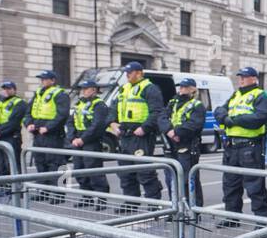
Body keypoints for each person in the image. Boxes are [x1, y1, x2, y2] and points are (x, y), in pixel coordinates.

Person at [213, 65, 267, 225]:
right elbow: (219, 110)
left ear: (254, 79)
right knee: (230, 183)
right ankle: (232, 216)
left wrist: (233, 120)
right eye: (239, 77)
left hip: (250, 147)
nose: (240, 79)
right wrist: (225, 118)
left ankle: (261, 218)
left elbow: (258, 118)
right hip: (231, 147)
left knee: (254, 185)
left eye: (244, 77)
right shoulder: (236, 95)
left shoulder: (261, 95)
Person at [110, 61, 165, 210]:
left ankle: (154, 204)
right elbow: (113, 109)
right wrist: (113, 123)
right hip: (125, 135)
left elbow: (157, 112)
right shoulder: (124, 89)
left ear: (139, 73)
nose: (127, 75)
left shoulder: (150, 88)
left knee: (144, 171)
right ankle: (131, 203)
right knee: (125, 172)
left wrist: (144, 128)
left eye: (130, 72)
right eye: (126, 72)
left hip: (141, 136)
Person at [66, 79, 112, 208]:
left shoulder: (99, 105)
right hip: (78, 139)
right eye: (82, 89)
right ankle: (87, 197)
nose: (83, 91)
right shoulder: (79, 104)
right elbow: (71, 122)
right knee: (79, 170)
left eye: (86, 89)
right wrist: (72, 138)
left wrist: (83, 139)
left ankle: (102, 200)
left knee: (94, 171)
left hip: (91, 141)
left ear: (94, 90)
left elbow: (97, 126)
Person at [162, 77, 207, 206]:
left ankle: (193, 209)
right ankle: (175, 207)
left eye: (184, 87)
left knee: (189, 179)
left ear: (192, 89)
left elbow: (195, 125)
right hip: (171, 145)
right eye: (180, 86)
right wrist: (170, 131)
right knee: (171, 178)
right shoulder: (173, 102)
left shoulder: (197, 105)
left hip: (187, 145)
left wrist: (177, 133)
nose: (180, 89)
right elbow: (162, 118)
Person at [26, 70, 71, 192]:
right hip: (38, 134)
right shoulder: (38, 94)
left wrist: (48, 127)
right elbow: (29, 111)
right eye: (41, 79)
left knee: (56, 162)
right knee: (40, 162)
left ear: (53, 80)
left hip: (53, 135)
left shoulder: (60, 94)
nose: (43, 81)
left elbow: (62, 115)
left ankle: (60, 192)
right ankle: (44, 191)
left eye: (45, 79)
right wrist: (29, 124)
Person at [0, 80, 26, 177]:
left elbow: (13, 122)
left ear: (14, 90)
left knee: (12, 165)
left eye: (9, 89)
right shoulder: (0, 103)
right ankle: (5, 189)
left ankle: (17, 189)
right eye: (4, 89)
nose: (6, 91)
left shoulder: (19, 103)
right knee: (0, 165)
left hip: (11, 137)